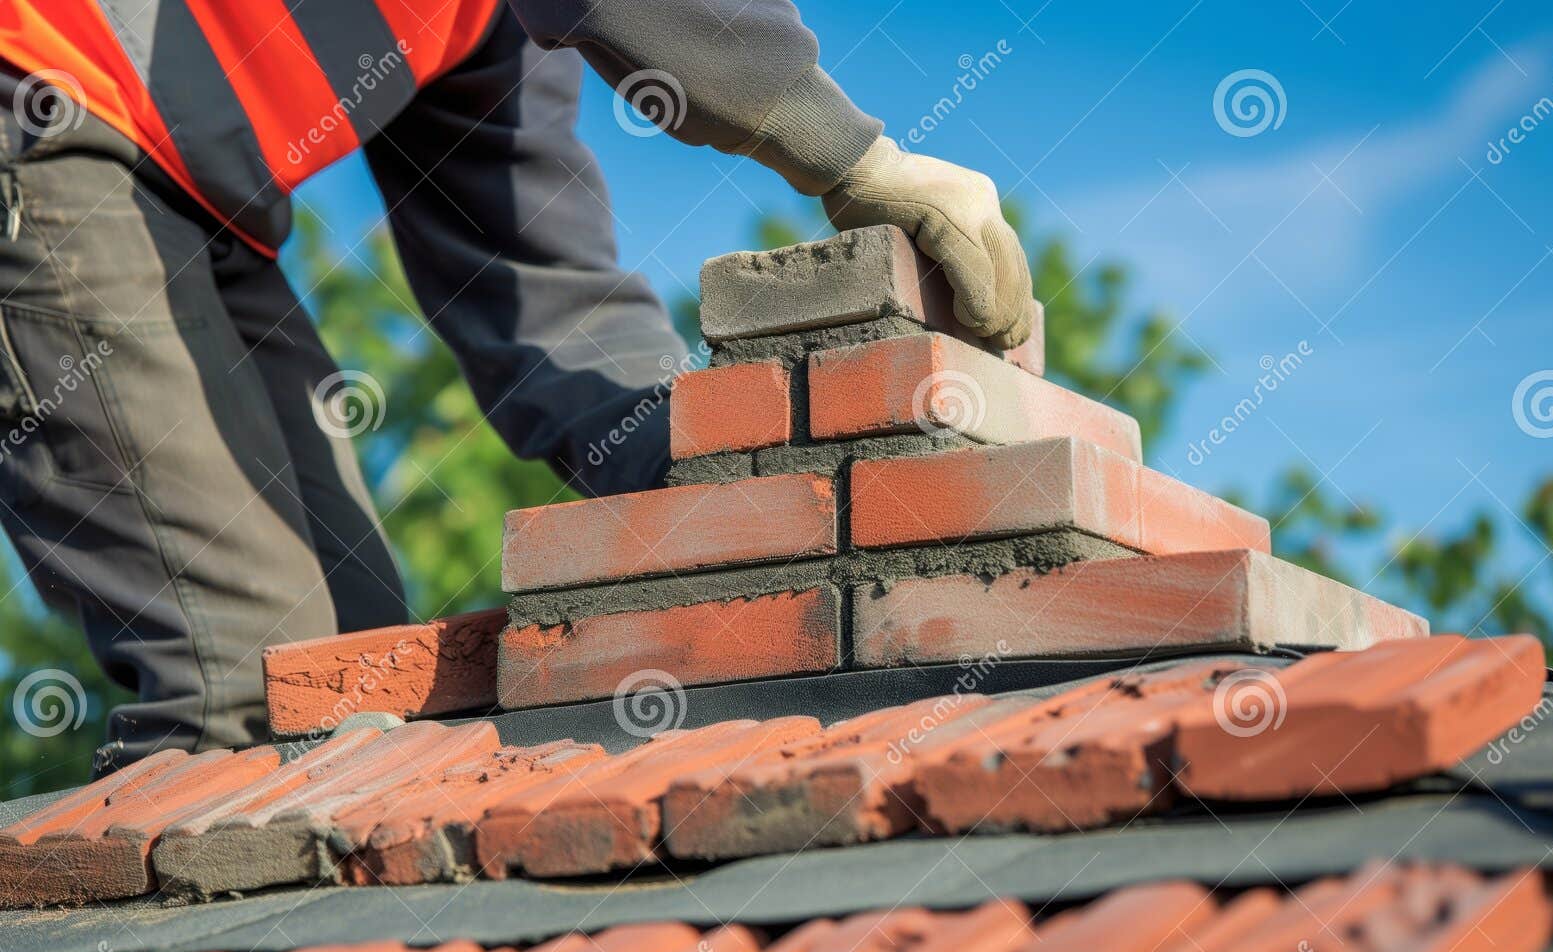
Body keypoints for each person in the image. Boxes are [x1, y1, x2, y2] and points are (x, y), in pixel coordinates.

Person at [0, 1, 1033, 771]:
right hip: (35, 93)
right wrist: (852, 156)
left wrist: (750, 476)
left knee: (348, 681)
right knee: (241, 696)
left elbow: (543, 299)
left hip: (192, 198)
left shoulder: (487, 36)